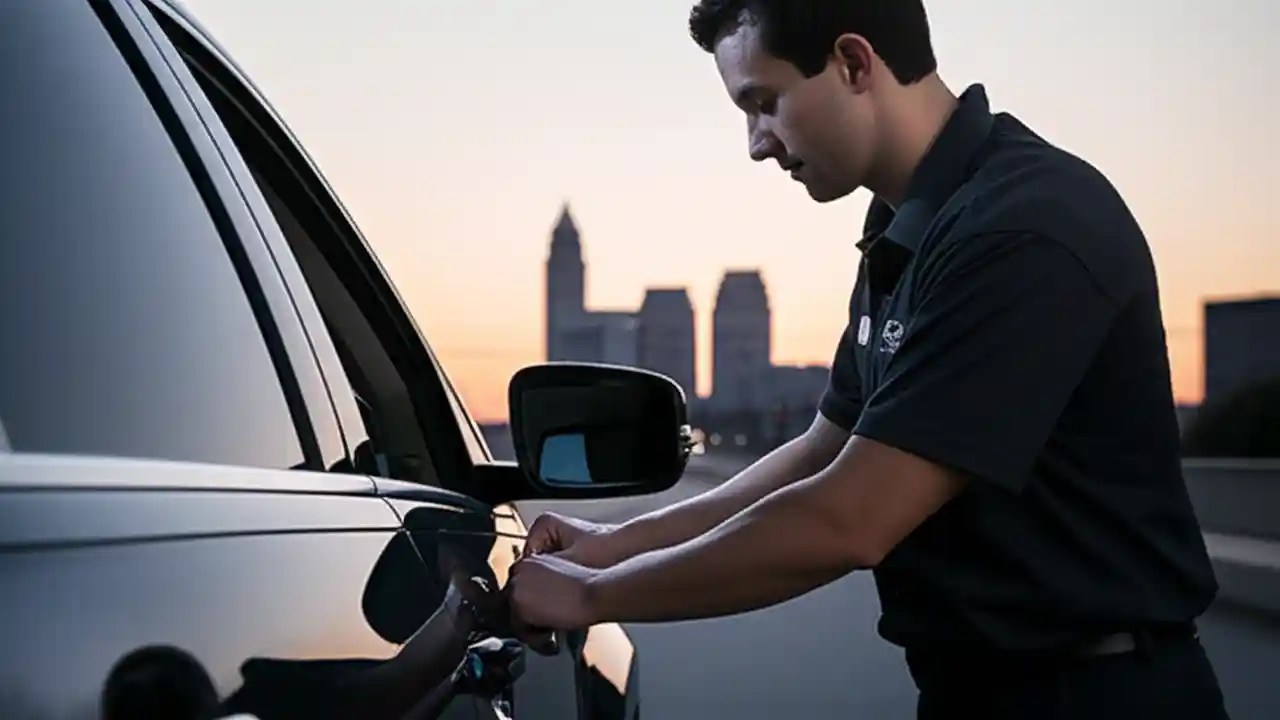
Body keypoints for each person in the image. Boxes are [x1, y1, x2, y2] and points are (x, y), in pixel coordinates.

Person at [505, 1, 1231, 718]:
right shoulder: (907, 227)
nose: (756, 143)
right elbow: (820, 455)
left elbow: (850, 517)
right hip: (975, 690)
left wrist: (589, 595)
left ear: (854, 63)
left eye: (764, 103)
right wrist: (612, 544)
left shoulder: (1023, 224)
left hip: (1096, 694)